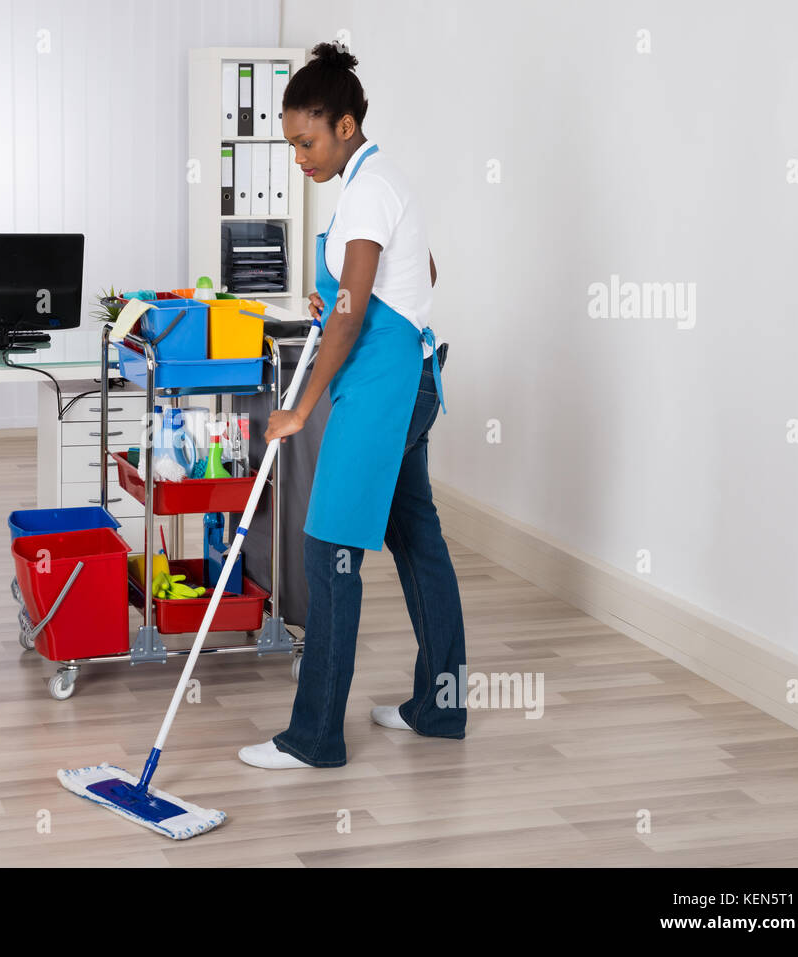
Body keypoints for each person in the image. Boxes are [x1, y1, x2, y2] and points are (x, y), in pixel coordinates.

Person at [239, 42, 467, 770]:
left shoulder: (366, 192)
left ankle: (314, 736)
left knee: (328, 547)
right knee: (417, 541)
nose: (299, 157)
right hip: (412, 381)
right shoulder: (380, 180)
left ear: (343, 124)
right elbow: (419, 271)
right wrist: (342, 289)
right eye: (291, 144)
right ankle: (441, 704)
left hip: (383, 391)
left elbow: (351, 313)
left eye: (306, 141)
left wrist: (300, 408)